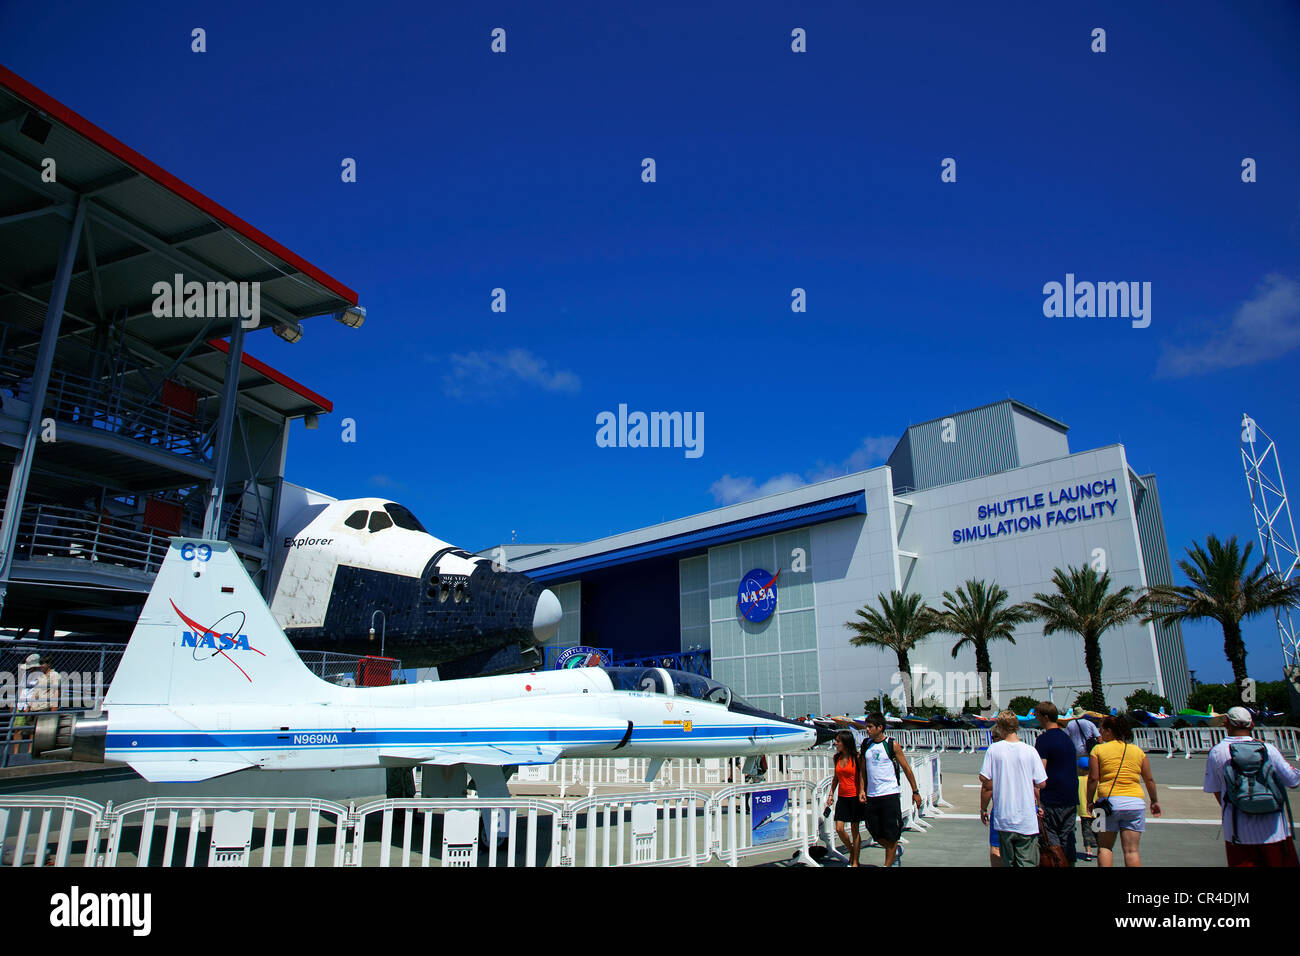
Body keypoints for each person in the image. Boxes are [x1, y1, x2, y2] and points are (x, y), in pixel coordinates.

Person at [1203, 706, 1300, 867]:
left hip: (1237, 831)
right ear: (1252, 725)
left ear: (1226, 724)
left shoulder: (1217, 752)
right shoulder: (1268, 749)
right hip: (1275, 830)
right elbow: (1293, 781)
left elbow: (1215, 789)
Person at [1087, 713, 1161, 867]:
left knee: (1105, 847)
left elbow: (1093, 778)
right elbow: (1149, 780)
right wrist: (1154, 801)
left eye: (1101, 729)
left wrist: (1089, 801)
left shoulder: (1098, 750)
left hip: (1106, 804)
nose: (1099, 732)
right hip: (1134, 803)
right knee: (1132, 851)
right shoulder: (1137, 751)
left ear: (1109, 731)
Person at [979, 710, 1046, 867]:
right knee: (1027, 861)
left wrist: (983, 808)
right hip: (1026, 818)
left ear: (1000, 727)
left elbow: (985, 779)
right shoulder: (1030, 751)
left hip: (1004, 817)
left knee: (1007, 861)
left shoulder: (994, 750)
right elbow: (1041, 783)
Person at [860, 712, 923, 867]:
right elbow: (862, 769)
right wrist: (862, 789)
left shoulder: (891, 744)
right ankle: (894, 850)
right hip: (872, 795)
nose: (867, 730)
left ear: (880, 728)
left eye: (870, 727)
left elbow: (906, 769)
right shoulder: (866, 744)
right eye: (866, 727)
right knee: (873, 830)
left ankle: (888, 864)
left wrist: (915, 792)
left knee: (892, 834)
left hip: (889, 794)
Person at [1034, 701, 1079, 865]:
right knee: (1068, 836)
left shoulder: (1044, 740)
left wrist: (1037, 798)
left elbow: (1040, 772)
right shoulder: (1067, 738)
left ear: (1045, 717)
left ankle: (1057, 863)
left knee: (1050, 837)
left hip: (1051, 796)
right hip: (1070, 795)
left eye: (1038, 716)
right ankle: (1069, 863)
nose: (1037, 719)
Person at [823, 730, 864, 866]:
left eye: (838, 741)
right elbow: (836, 777)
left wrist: (862, 791)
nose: (835, 743)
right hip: (842, 797)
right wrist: (830, 794)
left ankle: (856, 860)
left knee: (854, 829)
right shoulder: (837, 758)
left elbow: (862, 776)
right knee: (839, 828)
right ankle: (852, 850)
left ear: (845, 743)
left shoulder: (857, 757)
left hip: (854, 796)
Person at [987, 722, 1006, 867]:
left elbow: (987, 785)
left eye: (993, 737)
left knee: (996, 847)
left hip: (1001, 807)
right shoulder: (1027, 750)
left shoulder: (993, 751)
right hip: (1024, 809)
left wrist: (983, 808)